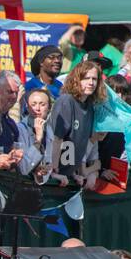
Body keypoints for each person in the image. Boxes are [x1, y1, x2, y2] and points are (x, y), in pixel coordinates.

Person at [49, 60, 105, 188]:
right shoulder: (66, 101)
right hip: (55, 177)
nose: (91, 83)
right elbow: (56, 138)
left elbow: (80, 142)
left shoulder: (90, 105)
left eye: (94, 79)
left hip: (69, 176)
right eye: (86, 78)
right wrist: (53, 170)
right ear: (76, 80)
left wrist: (75, 172)